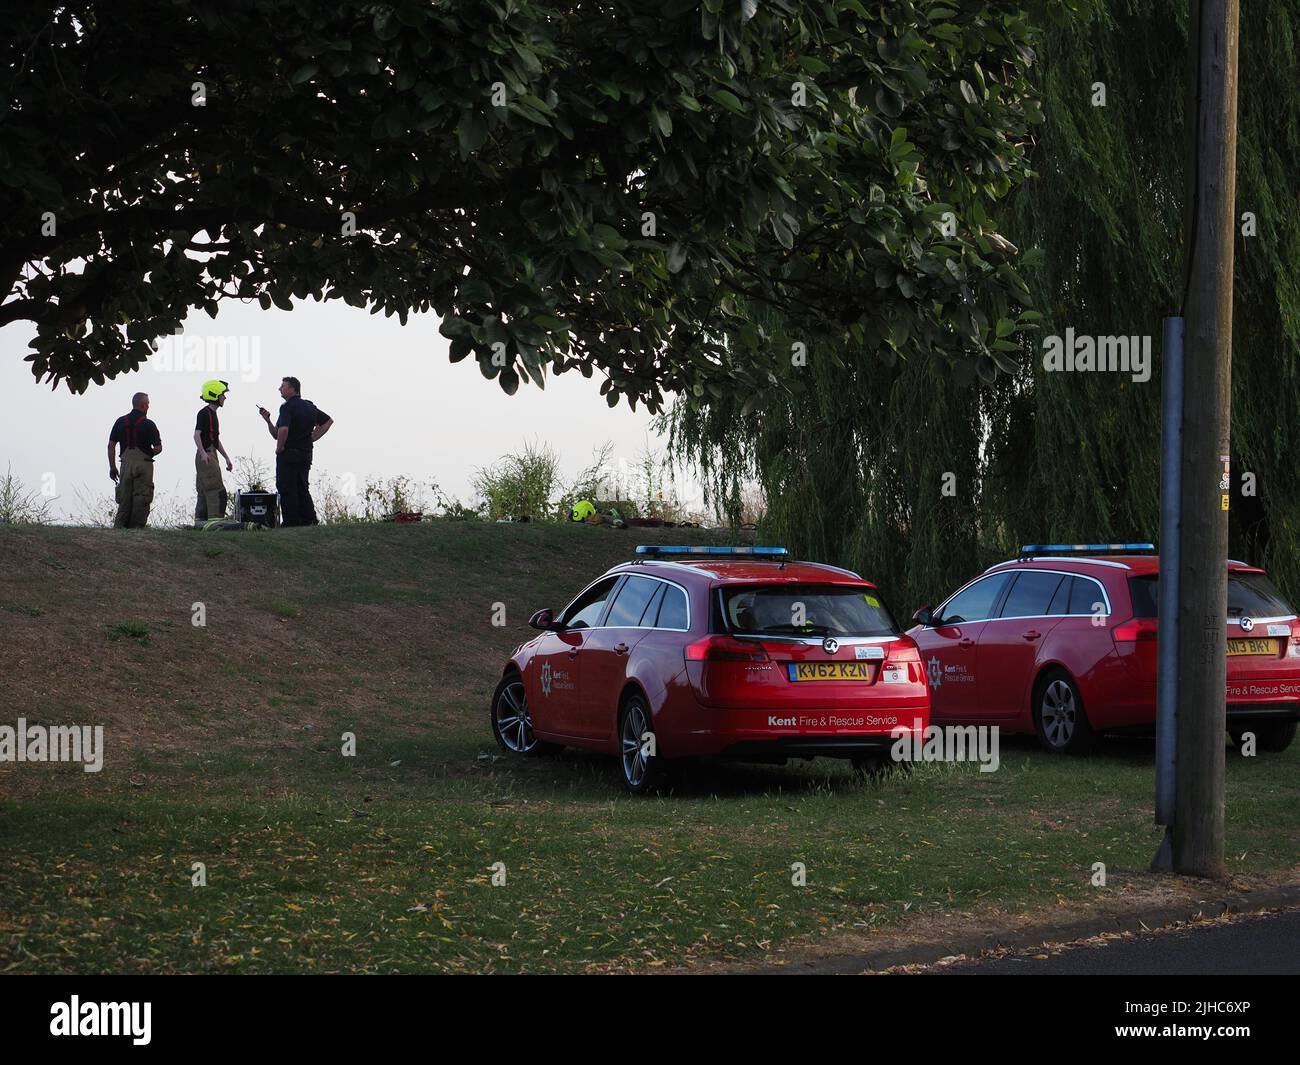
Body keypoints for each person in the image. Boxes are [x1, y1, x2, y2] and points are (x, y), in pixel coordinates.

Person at [260, 376, 333, 526]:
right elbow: (328, 421)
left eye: (283, 386)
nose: (279, 389)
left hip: (289, 453)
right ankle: (309, 520)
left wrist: (279, 448)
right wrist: (268, 420)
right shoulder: (310, 407)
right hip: (306, 453)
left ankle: (291, 522)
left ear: (292, 389)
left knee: (286, 487)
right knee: (302, 487)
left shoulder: (286, 407)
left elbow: (282, 431)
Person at [108, 392, 162, 528]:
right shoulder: (149, 424)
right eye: (147, 404)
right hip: (144, 465)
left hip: (125, 465)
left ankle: (119, 527)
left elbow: (111, 445)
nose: (148, 406)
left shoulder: (120, 421)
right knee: (142, 498)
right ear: (143, 405)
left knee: (124, 498)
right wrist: (148, 454)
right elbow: (158, 448)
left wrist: (112, 467)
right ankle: (136, 529)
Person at [194, 379, 234, 522]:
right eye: (223, 394)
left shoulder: (213, 414)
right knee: (216, 490)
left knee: (204, 490)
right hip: (206, 454)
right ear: (215, 395)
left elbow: (215, 440)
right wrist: (204, 453)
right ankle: (215, 523)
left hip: (210, 453)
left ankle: (201, 522)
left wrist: (226, 458)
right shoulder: (204, 413)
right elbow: (196, 435)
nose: (225, 398)